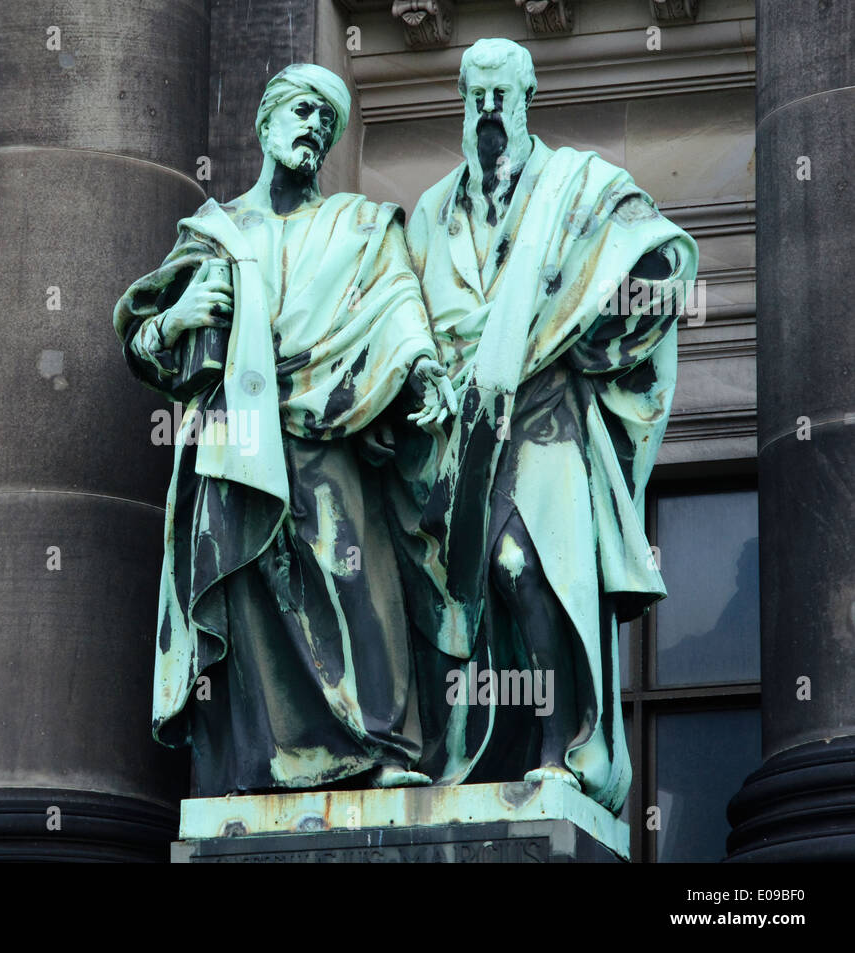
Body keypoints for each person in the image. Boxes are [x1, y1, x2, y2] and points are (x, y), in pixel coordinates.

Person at [113, 64, 452, 796]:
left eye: (326, 124)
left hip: (330, 438)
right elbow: (146, 342)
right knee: (250, 596)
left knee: (357, 580)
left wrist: (422, 373)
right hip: (236, 444)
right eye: (301, 113)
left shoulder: (360, 226)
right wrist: (178, 316)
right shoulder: (215, 231)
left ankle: (386, 745)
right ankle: (263, 763)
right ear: (265, 125)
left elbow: (398, 307)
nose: (313, 130)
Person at [382, 38, 698, 812]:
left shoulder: (579, 183)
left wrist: (582, 329)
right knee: (457, 590)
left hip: (546, 414)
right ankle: (463, 750)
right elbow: (404, 311)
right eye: (477, 96)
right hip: (459, 435)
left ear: (528, 100)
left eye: (503, 95)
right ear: (463, 104)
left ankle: (562, 745)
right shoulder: (431, 209)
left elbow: (657, 261)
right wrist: (420, 375)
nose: (489, 110)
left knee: (526, 566)